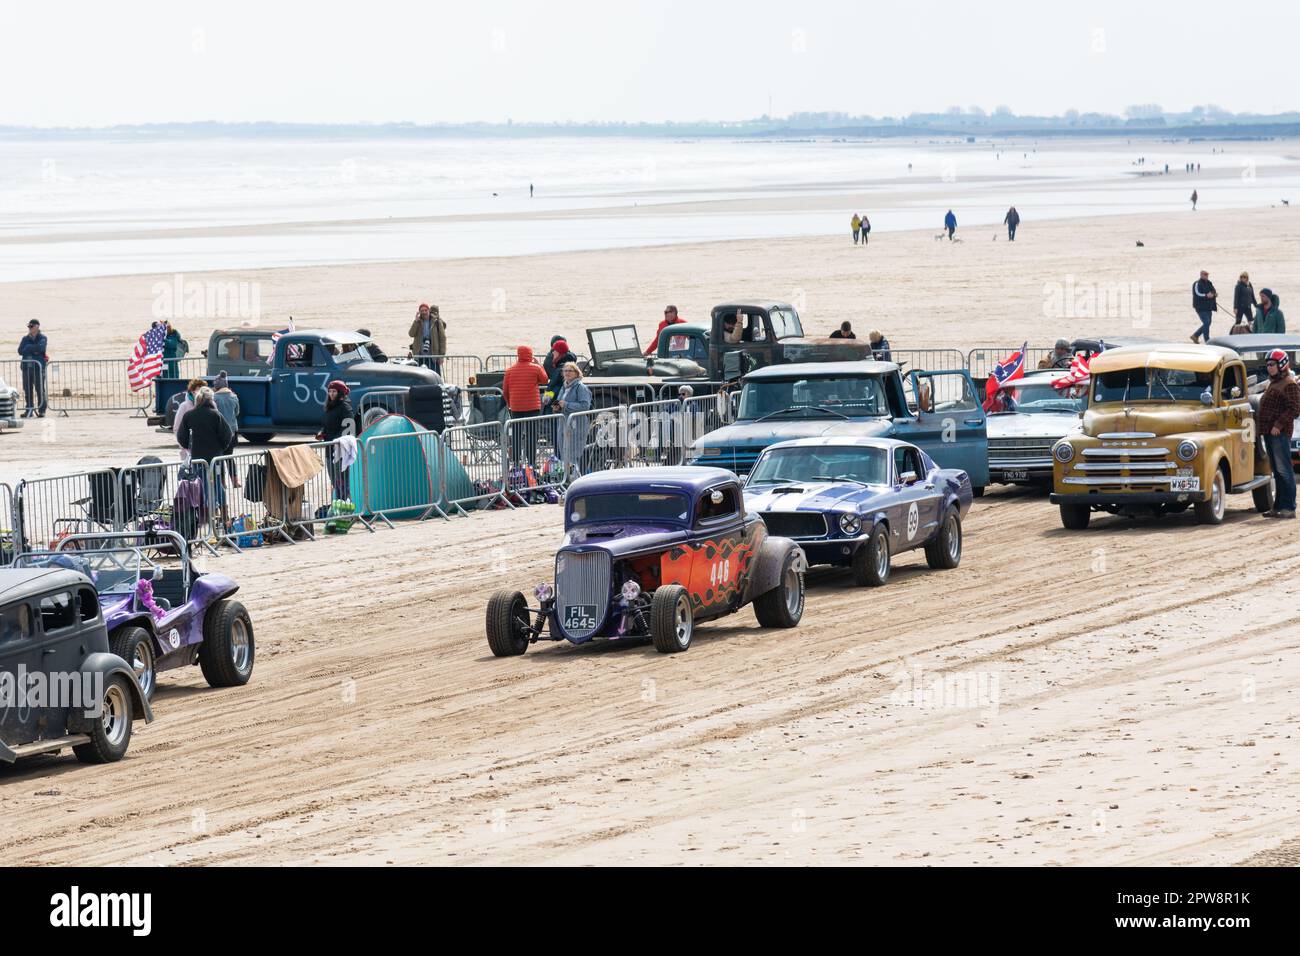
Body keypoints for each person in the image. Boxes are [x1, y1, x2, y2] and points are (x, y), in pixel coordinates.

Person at [177, 386, 235, 523]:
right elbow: (228, 435)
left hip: (198, 458)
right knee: (217, 486)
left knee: (200, 485)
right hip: (215, 458)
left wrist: (190, 448)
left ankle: (206, 517)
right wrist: (221, 448)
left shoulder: (189, 415)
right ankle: (224, 514)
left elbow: (181, 437)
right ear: (211, 400)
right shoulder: (215, 415)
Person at [1257, 349, 1300, 519]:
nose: (1269, 368)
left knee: (1284, 470)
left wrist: (1279, 424)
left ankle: (1289, 507)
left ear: (1281, 364)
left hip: (1279, 433)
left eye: (1272, 364)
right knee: (1276, 470)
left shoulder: (1289, 383)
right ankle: (1278, 507)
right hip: (1269, 431)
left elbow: (1295, 408)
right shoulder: (1274, 382)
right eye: (1267, 365)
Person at [502, 345, 549, 466]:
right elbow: (545, 380)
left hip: (516, 407)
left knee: (517, 434)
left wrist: (510, 403)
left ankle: (516, 462)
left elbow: (505, 391)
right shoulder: (535, 368)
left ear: (518, 355)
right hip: (533, 407)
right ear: (530, 355)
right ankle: (532, 462)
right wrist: (539, 365)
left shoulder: (510, 370)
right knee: (532, 435)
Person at [554, 362, 593, 479]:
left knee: (573, 454)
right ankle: (567, 479)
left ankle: (576, 480)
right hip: (563, 424)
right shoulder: (564, 386)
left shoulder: (581, 387)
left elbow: (585, 405)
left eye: (570, 371)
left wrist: (566, 405)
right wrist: (556, 407)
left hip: (577, 425)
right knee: (564, 453)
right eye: (565, 371)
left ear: (576, 373)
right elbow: (559, 401)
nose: (567, 373)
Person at [319, 380, 354, 499]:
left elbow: (349, 428)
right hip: (329, 449)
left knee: (342, 482)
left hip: (340, 450)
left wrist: (336, 440)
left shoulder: (345, 406)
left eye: (334, 391)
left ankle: (346, 506)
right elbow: (328, 424)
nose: (331, 394)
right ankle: (339, 504)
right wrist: (322, 433)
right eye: (329, 391)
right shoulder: (329, 406)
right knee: (334, 481)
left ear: (340, 393)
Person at [17, 319, 48, 418]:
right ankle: (29, 409)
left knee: (40, 389)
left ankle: (42, 410)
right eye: (29, 327)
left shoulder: (42, 338)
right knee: (27, 389)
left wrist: (28, 348)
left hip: (38, 368)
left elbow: (40, 349)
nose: (29, 328)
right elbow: (20, 351)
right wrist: (32, 349)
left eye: (31, 326)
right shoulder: (25, 338)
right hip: (26, 368)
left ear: (37, 326)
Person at [173, 378, 206, 460]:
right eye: (198, 390)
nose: (200, 393)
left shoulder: (211, 404)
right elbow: (177, 427)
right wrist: (183, 446)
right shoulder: (184, 406)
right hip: (189, 451)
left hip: (206, 450)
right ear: (192, 391)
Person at [407, 303, 446, 372]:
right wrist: (415, 321)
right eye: (422, 311)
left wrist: (441, 356)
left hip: (433, 356)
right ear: (420, 312)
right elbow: (411, 334)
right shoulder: (418, 322)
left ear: (429, 310)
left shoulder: (436, 322)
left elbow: (442, 339)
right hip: (420, 356)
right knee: (420, 379)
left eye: (425, 310)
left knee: (435, 377)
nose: (424, 312)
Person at [1190, 270, 1217, 343]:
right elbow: (1197, 294)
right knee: (1207, 322)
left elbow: (1213, 291)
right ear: (1201, 275)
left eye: (1207, 275)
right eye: (1205, 274)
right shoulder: (1196, 283)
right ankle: (1207, 340)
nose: (1206, 276)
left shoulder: (1209, 283)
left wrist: (1213, 294)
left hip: (1208, 307)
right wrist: (1206, 295)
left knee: (1208, 323)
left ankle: (1195, 336)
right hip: (1200, 307)